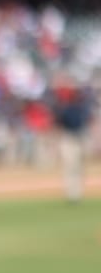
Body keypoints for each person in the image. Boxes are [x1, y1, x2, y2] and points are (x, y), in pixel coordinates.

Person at [53, 70, 94, 203]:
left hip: (81, 137)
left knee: (80, 167)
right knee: (70, 166)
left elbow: (88, 120)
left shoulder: (82, 106)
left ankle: (78, 191)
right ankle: (72, 193)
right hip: (69, 138)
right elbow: (59, 123)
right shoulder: (64, 107)